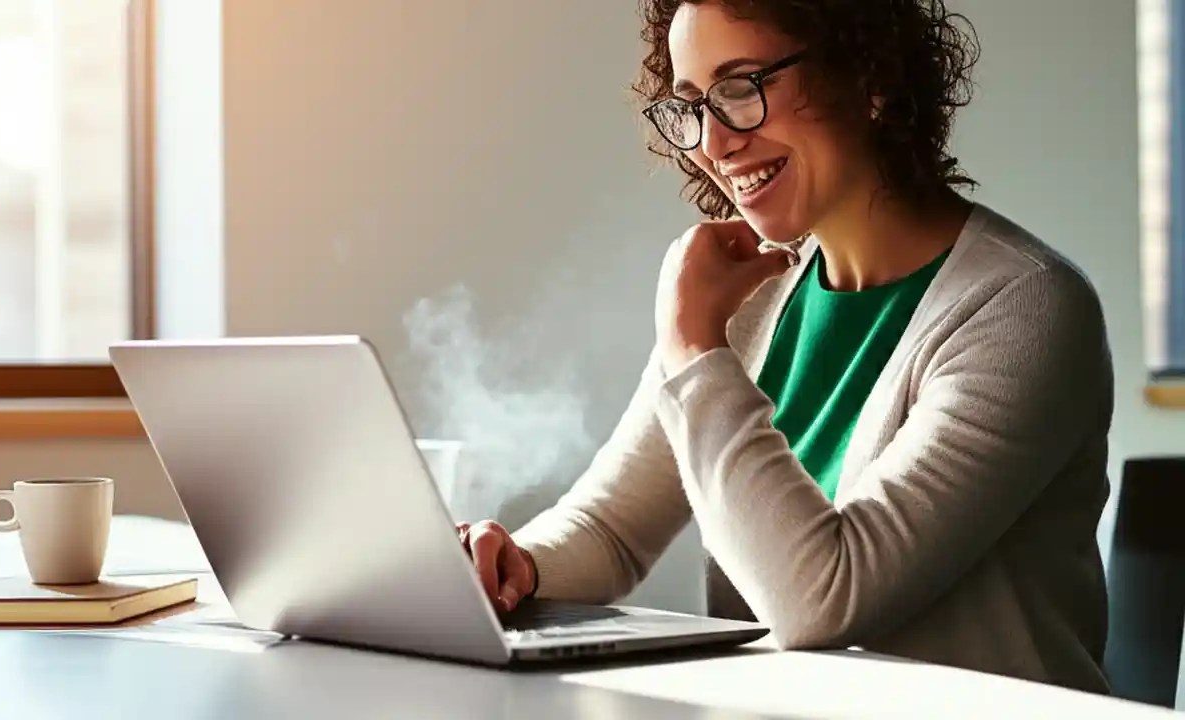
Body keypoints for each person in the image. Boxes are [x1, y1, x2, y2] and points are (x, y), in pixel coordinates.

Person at [459, 0, 1112, 693]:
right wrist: (515, 566)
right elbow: (611, 528)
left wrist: (692, 346)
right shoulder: (751, 301)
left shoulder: (1026, 307)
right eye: (693, 105)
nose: (714, 142)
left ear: (870, 76)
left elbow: (823, 600)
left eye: (742, 88)